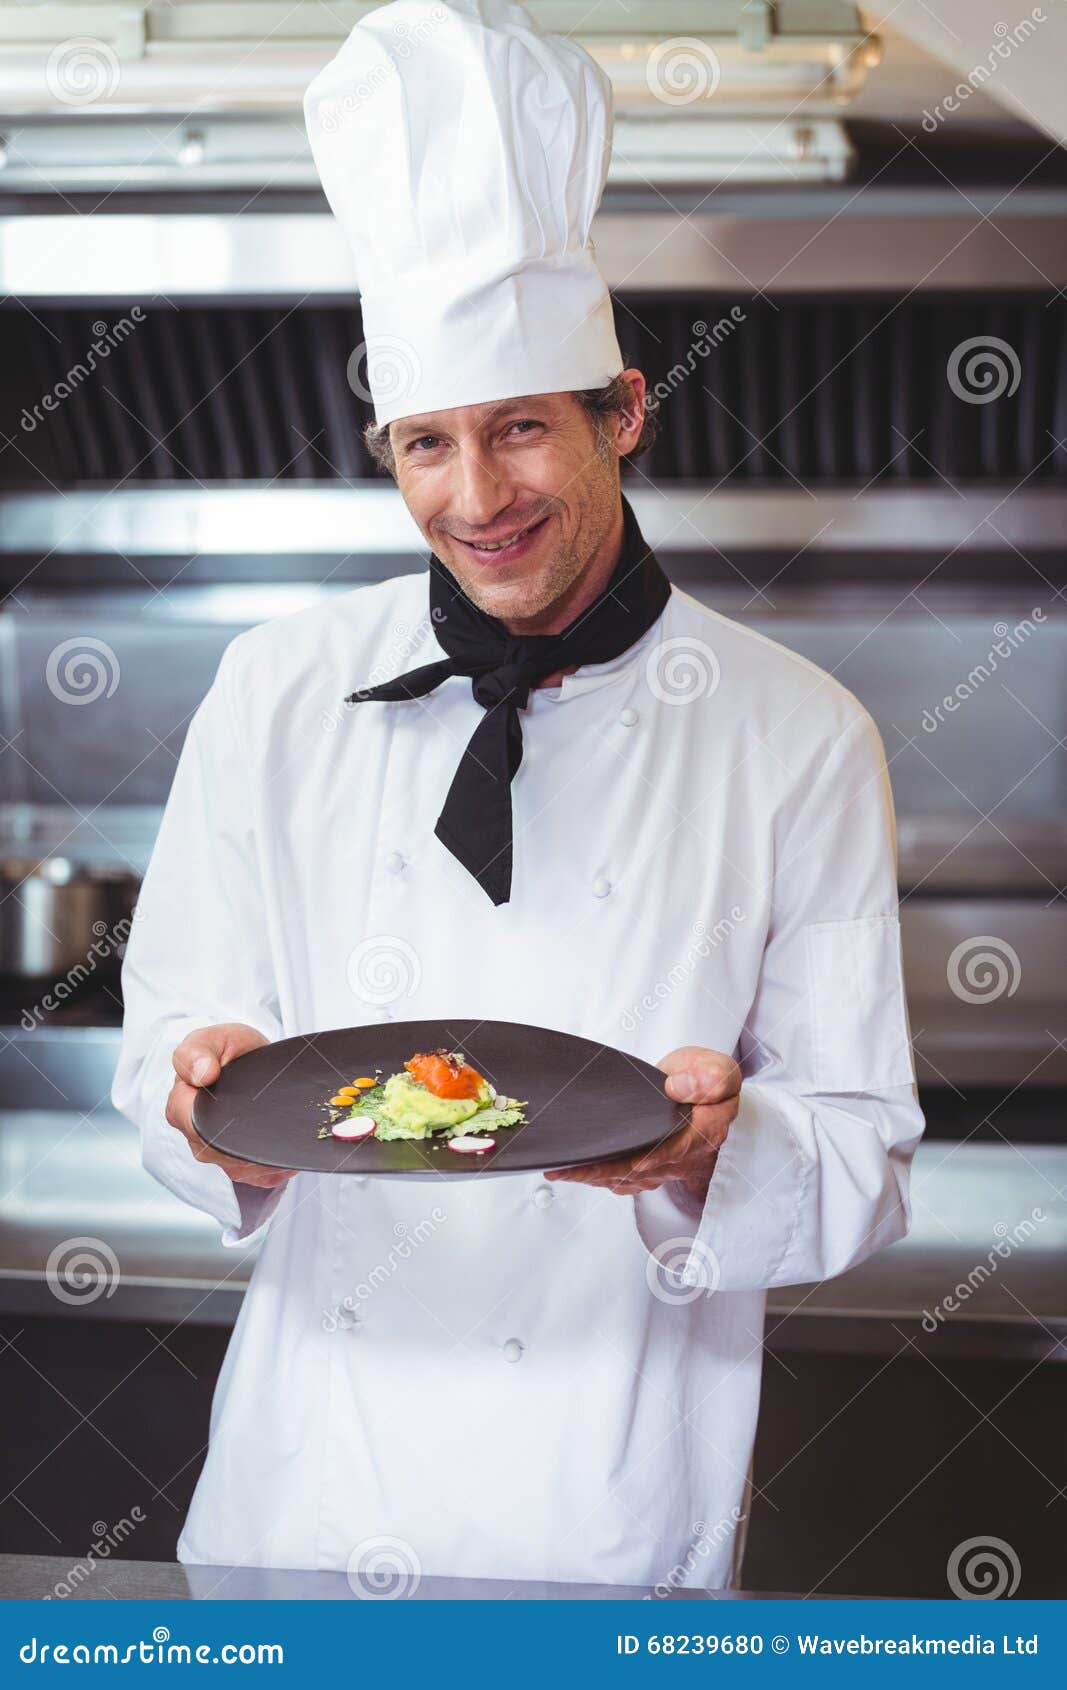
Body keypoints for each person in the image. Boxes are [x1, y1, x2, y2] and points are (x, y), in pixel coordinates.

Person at [112, 0, 923, 1590]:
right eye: (426, 444)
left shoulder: (800, 735)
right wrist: (210, 1114)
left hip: (607, 1526)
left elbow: (862, 1163)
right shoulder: (275, 692)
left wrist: (709, 1149)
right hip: (302, 1511)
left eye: (521, 431)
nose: (475, 498)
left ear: (625, 409)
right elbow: (166, 1067)